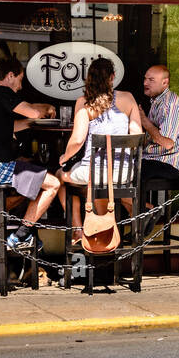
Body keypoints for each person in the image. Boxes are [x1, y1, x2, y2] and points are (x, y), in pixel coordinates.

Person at [0, 58, 60, 250]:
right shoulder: (1, 91)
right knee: (53, 184)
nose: (20, 87)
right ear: (10, 76)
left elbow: (12, 126)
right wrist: (47, 107)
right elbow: (34, 113)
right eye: (19, 80)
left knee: (33, 182)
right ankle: (20, 236)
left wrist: (29, 123)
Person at [58, 57, 144, 247]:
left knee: (60, 177)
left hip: (95, 173)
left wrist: (65, 157)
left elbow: (78, 140)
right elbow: (137, 135)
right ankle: (107, 232)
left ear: (89, 78)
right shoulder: (128, 98)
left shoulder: (84, 102)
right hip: (124, 174)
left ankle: (79, 230)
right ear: (112, 77)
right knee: (101, 183)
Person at [140, 64, 179, 195]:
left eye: (151, 80)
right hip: (154, 159)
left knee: (126, 172)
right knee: (121, 169)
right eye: (145, 79)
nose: (145, 83)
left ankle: (143, 210)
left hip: (169, 163)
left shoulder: (172, 105)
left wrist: (144, 121)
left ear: (165, 82)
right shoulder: (156, 101)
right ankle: (140, 210)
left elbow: (167, 143)